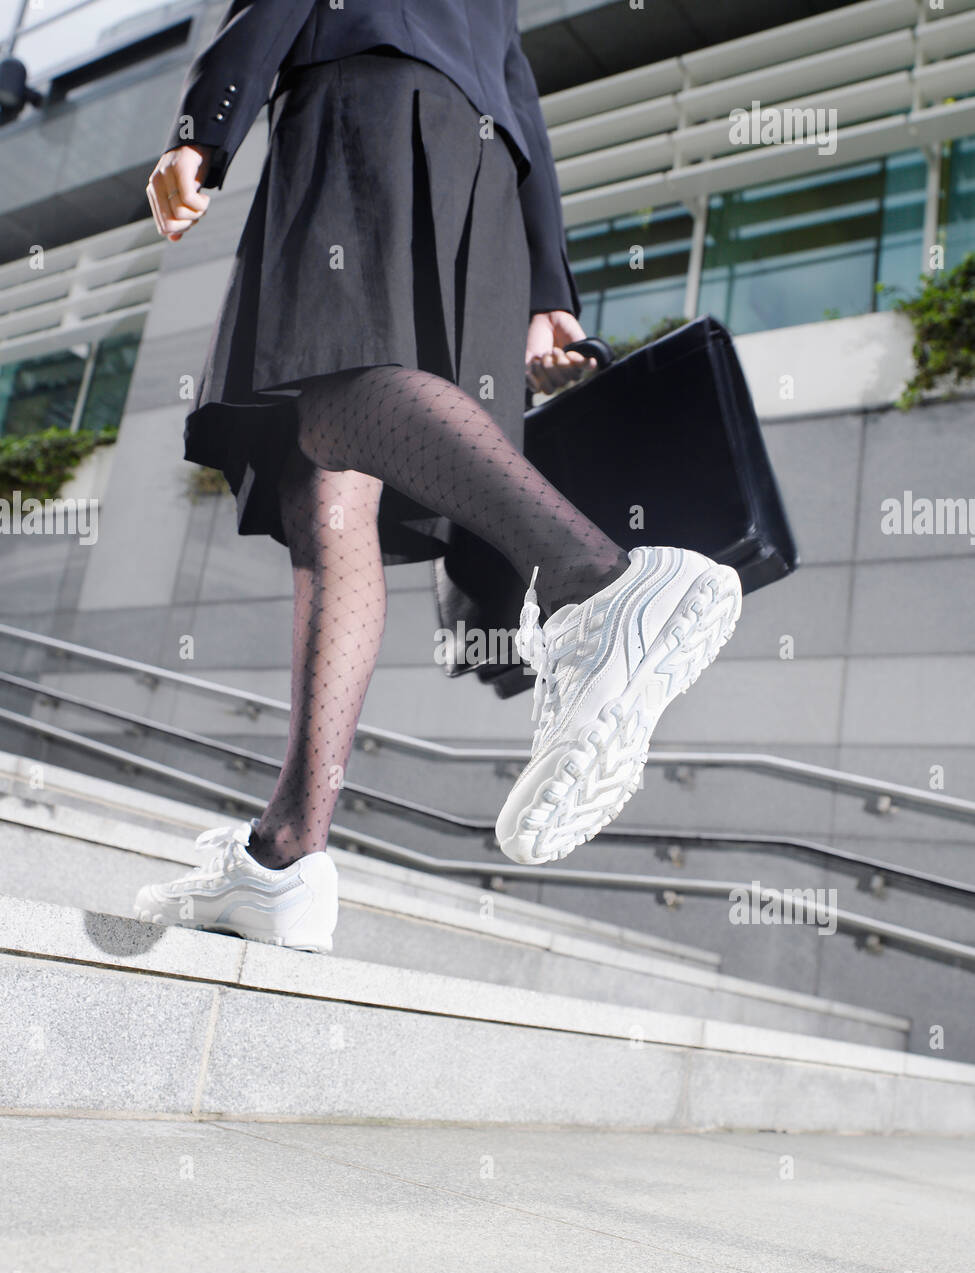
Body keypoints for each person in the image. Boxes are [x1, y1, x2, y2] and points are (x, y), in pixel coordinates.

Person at [133, 0, 741, 952]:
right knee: (324, 490)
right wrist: (548, 288)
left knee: (328, 390)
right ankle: (284, 858)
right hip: (483, 166)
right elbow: (517, 84)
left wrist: (201, 129)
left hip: (365, 103)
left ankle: (600, 583)